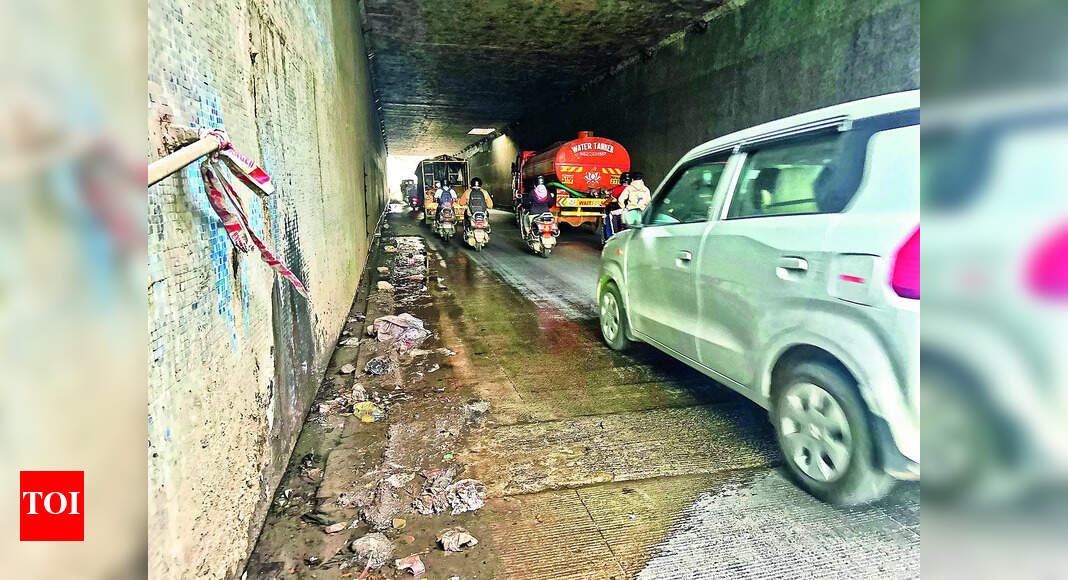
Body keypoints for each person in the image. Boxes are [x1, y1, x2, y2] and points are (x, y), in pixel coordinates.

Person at [604, 172, 632, 239]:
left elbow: (610, 199)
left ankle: (610, 237)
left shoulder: (618, 189)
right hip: (634, 210)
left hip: (622, 210)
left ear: (621, 180)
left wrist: (603, 203)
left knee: (609, 216)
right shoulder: (636, 189)